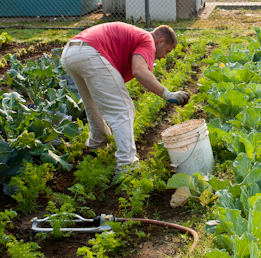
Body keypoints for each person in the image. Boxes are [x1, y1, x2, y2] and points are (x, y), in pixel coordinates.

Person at [60, 22, 189, 175]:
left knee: (92, 105)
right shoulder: (148, 40)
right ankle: (126, 165)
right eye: (167, 50)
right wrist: (167, 94)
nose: (165, 56)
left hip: (71, 52)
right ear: (160, 41)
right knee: (123, 110)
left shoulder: (136, 37)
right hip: (91, 53)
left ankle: (97, 145)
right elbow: (139, 71)